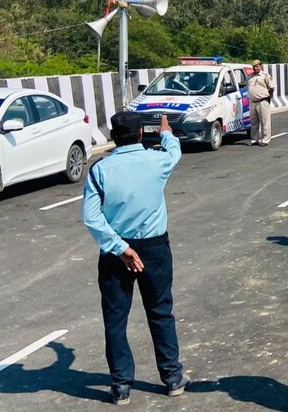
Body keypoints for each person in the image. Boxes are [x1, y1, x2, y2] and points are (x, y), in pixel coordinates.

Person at [82, 112, 190, 406]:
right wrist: (166, 130)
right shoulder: (157, 160)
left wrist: (120, 248)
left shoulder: (100, 170)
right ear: (142, 135)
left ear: (113, 137)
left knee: (115, 320)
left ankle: (120, 385)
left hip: (116, 253)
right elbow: (174, 151)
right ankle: (171, 377)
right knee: (160, 311)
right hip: (154, 249)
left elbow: (91, 218)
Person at [247, 60, 275, 146]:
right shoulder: (250, 76)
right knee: (254, 122)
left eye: (257, 66)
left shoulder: (265, 76)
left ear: (261, 66)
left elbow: (271, 88)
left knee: (264, 121)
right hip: (252, 102)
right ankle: (255, 139)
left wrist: (267, 96)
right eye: (254, 66)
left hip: (262, 101)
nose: (255, 68)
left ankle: (265, 139)